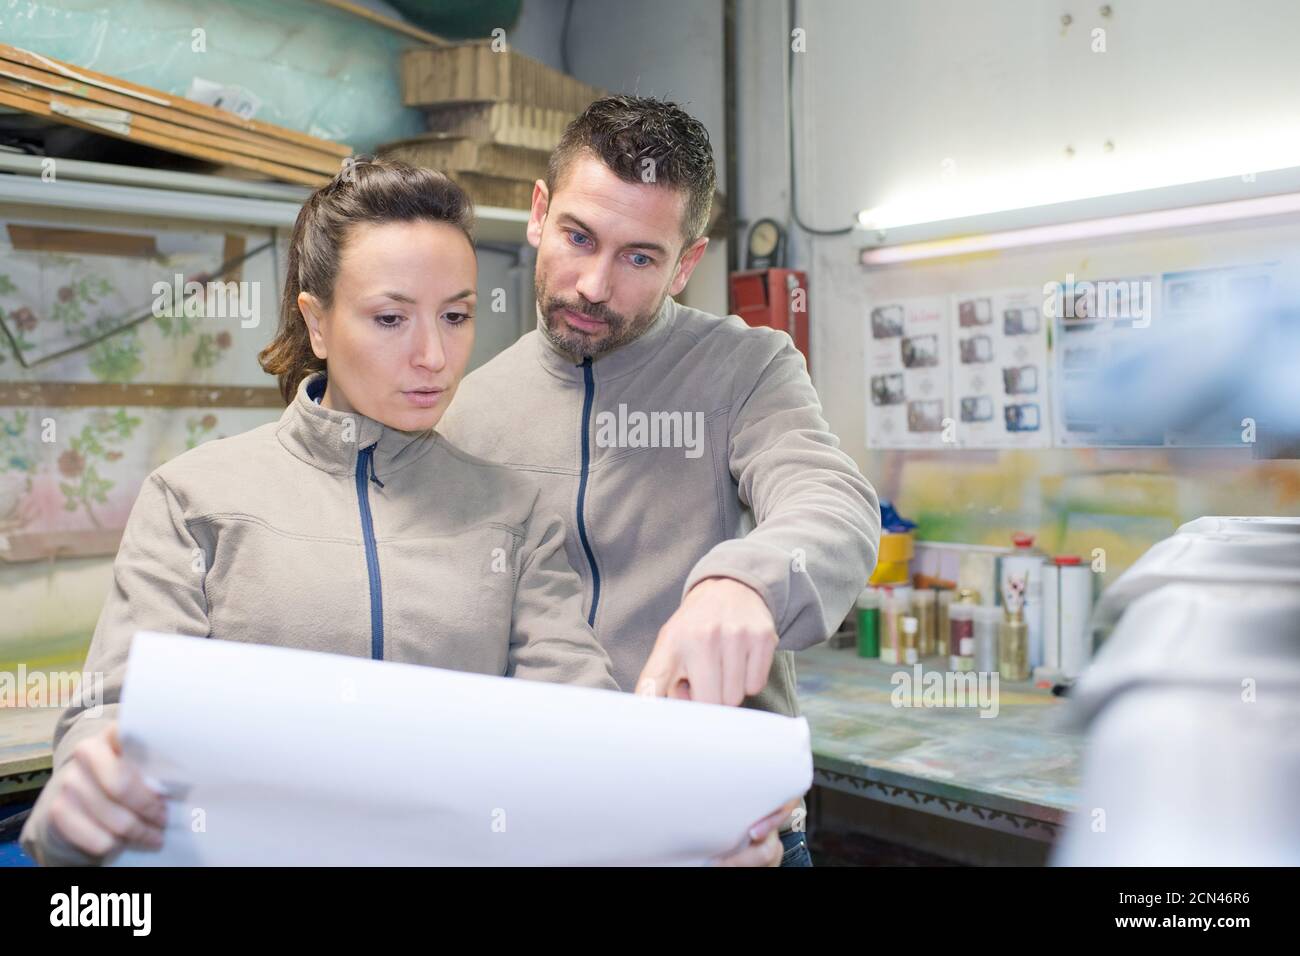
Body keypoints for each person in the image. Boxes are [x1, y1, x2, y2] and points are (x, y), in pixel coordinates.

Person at [20, 161, 788, 867]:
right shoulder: (195, 499)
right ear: (317, 323)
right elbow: (112, 721)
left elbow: (582, 735)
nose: (433, 356)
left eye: (455, 317)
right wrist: (75, 804)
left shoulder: (515, 515)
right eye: (391, 319)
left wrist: (690, 827)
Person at [438, 96, 882, 866]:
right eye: (578, 237)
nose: (594, 286)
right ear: (539, 213)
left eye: (639, 257)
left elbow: (830, 504)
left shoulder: (748, 368)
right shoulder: (465, 406)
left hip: (728, 832)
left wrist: (745, 583)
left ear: (686, 264)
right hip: (545, 827)